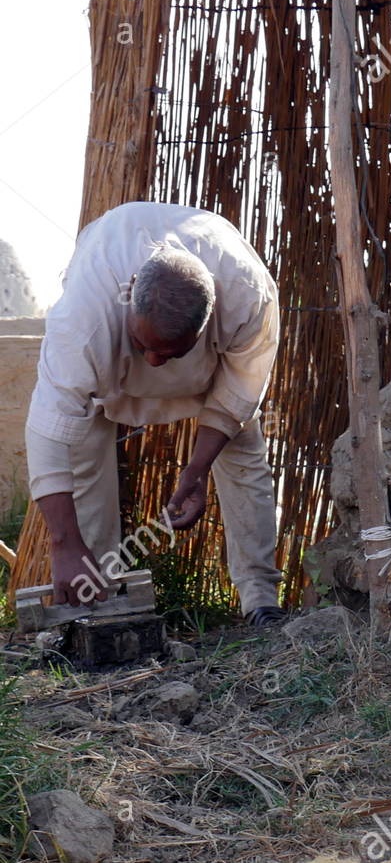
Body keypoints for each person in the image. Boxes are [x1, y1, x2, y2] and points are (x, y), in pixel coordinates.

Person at [25, 202, 285, 626]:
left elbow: (239, 394)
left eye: (171, 352)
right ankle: (95, 603)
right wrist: (63, 544)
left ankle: (260, 598)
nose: (156, 362)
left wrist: (197, 470)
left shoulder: (248, 297)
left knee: (243, 445)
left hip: (209, 371)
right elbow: (49, 430)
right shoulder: (84, 319)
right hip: (104, 381)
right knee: (82, 458)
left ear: (207, 323)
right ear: (129, 301)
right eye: (143, 345)